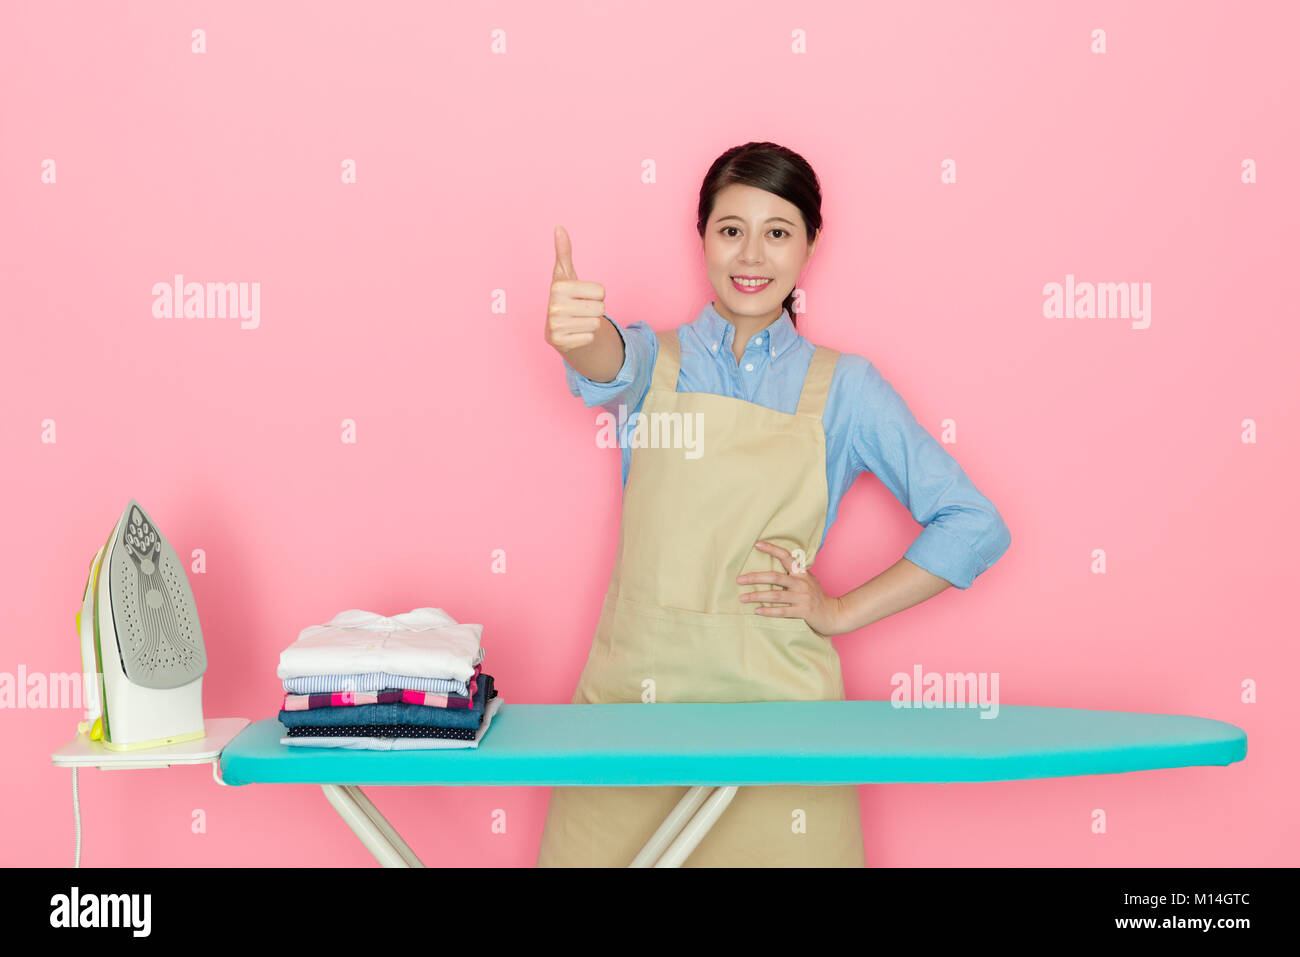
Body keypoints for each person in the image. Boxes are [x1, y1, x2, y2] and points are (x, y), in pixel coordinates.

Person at [536, 141, 1011, 867]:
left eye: (778, 231)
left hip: (781, 714)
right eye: (730, 229)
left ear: (811, 243)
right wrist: (576, 336)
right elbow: (602, 356)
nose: (750, 253)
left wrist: (839, 611)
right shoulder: (653, 361)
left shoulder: (845, 388)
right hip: (635, 709)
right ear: (701, 238)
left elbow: (974, 524)